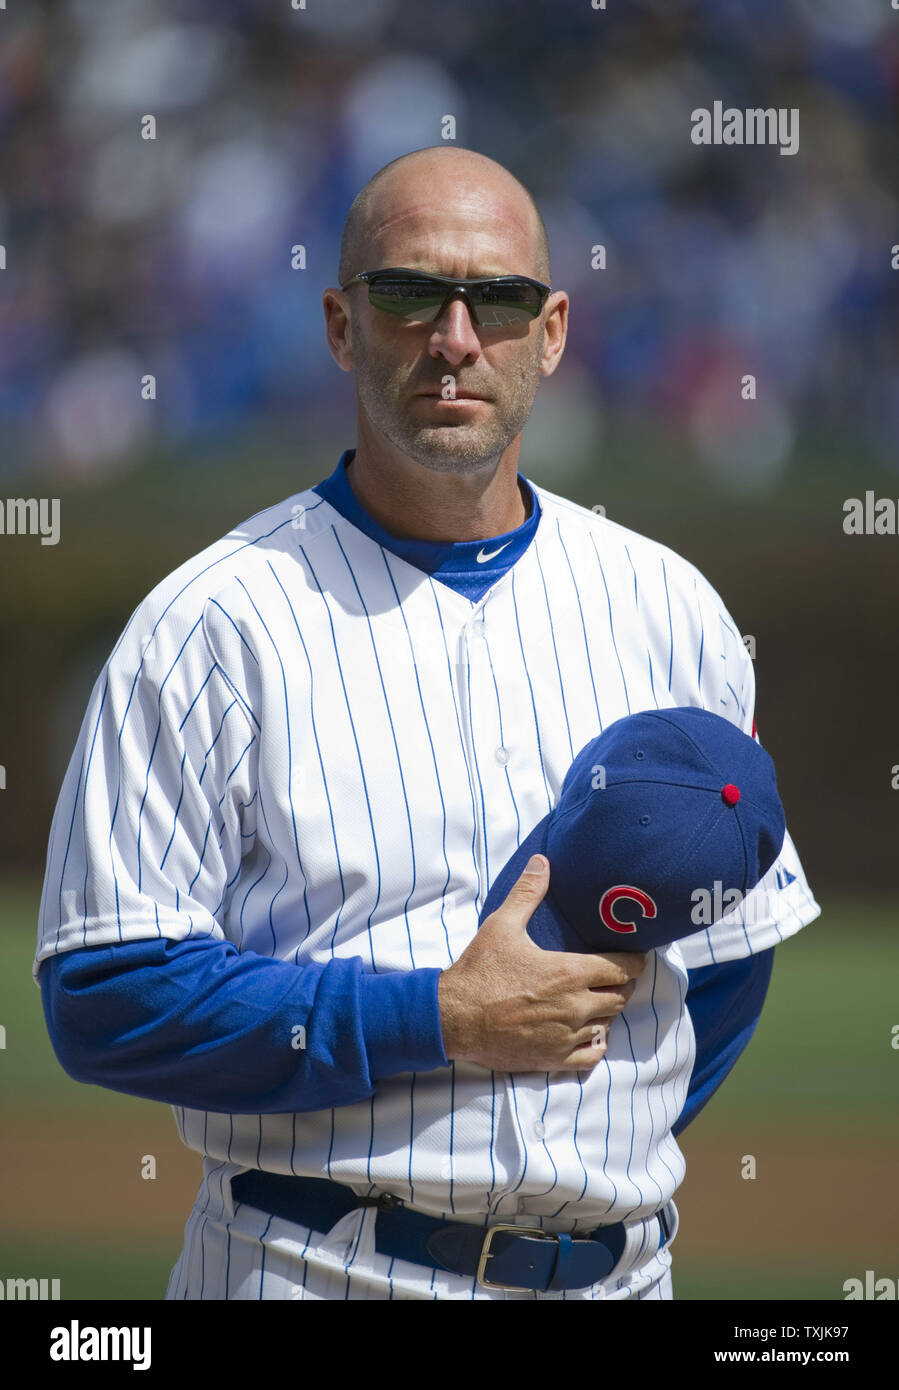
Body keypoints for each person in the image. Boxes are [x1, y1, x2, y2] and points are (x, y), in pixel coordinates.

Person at [34, 145, 820, 1300]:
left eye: (496, 300)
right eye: (408, 293)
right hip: (307, 1264)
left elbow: (724, 955)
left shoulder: (670, 608)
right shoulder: (210, 621)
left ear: (551, 333)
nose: (454, 337)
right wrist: (436, 1020)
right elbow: (103, 994)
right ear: (341, 325)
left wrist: (582, 1153)